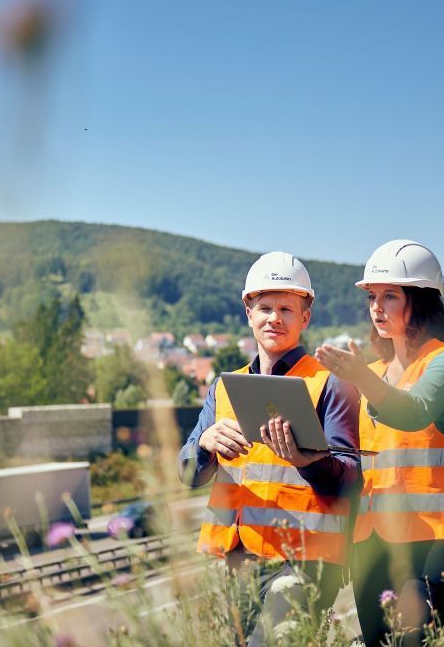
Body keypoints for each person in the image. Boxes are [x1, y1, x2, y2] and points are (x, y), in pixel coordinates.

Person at [315, 240, 444, 646]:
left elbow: (414, 411)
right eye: (372, 297)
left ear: (421, 300)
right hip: (375, 541)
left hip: (438, 538)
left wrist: (361, 379)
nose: (377, 307)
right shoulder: (373, 371)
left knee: (412, 641)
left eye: (390, 296)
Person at [178, 251, 360, 645]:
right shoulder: (225, 388)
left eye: (286, 309)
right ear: (248, 312)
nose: (274, 318)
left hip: (302, 563)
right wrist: (205, 445)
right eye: (264, 307)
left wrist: (309, 463)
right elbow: (188, 472)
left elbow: (351, 479)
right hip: (238, 560)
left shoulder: (330, 386)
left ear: (305, 317)